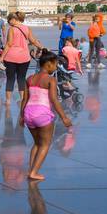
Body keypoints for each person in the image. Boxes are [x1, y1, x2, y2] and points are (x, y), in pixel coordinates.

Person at [21, 51, 72, 181]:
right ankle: (34, 172)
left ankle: (30, 170)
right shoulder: (50, 79)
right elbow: (54, 100)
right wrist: (64, 117)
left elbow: (24, 99)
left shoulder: (30, 78)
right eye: (55, 64)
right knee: (45, 144)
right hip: (42, 113)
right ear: (48, 64)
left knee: (37, 143)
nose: (56, 67)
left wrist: (22, 117)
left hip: (28, 113)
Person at [2, 12, 42, 109]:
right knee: (21, 78)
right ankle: (23, 98)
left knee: (10, 79)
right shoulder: (27, 28)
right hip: (24, 57)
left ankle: (7, 101)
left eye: (9, 20)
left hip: (11, 57)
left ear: (13, 19)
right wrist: (42, 47)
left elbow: (9, 44)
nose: (8, 22)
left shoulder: (11, 29)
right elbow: (33, 40)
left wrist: (1, 57)